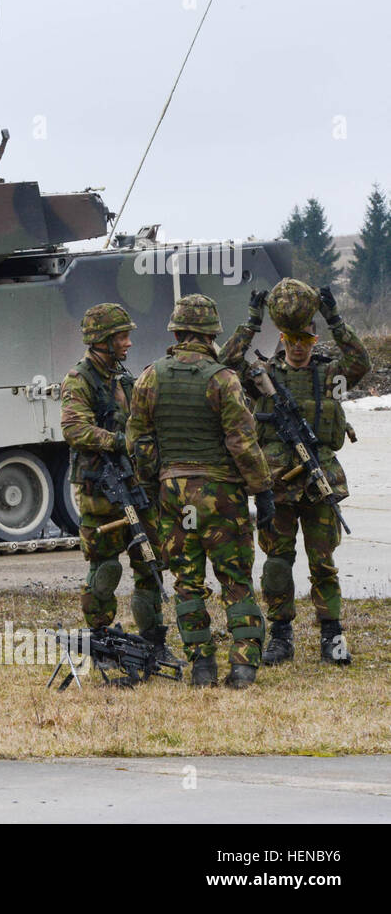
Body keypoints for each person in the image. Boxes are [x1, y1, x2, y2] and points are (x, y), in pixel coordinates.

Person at [126, 294, 274, 689]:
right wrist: (263, 490)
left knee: (187, 582)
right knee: (236, 579)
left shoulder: (149, 377)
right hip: (220, 493)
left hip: (172, 493)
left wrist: (149, 483)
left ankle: (201, 666)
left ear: (176, 331)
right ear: (211, 335)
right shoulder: (223, 379)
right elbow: (243, 443)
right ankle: (243, 666)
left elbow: (139, 441)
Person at [220, 284, 369, 665]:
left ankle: (332, 636)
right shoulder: (262, 377)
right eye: (291, 339)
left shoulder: (331, 375)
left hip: (320, 484)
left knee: (323, 563)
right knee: (276, 562)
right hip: (279, 485)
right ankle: (281, 635)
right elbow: (227, 359)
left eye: (305, 339)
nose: (298, 347)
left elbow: (360, 362)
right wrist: (252, 319)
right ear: (282, 338)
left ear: (313, 339)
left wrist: (336, 318)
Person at [59, 303, 169, 656]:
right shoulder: (79, 379)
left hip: (136, 488)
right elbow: (74, 428)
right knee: (104, 569)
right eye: (122, 336)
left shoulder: (124, 379)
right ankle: (102, 641)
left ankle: (153, 641)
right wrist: (119, 441)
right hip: (101, 490)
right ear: (103, 340)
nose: (128, 343)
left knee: (150, 563)